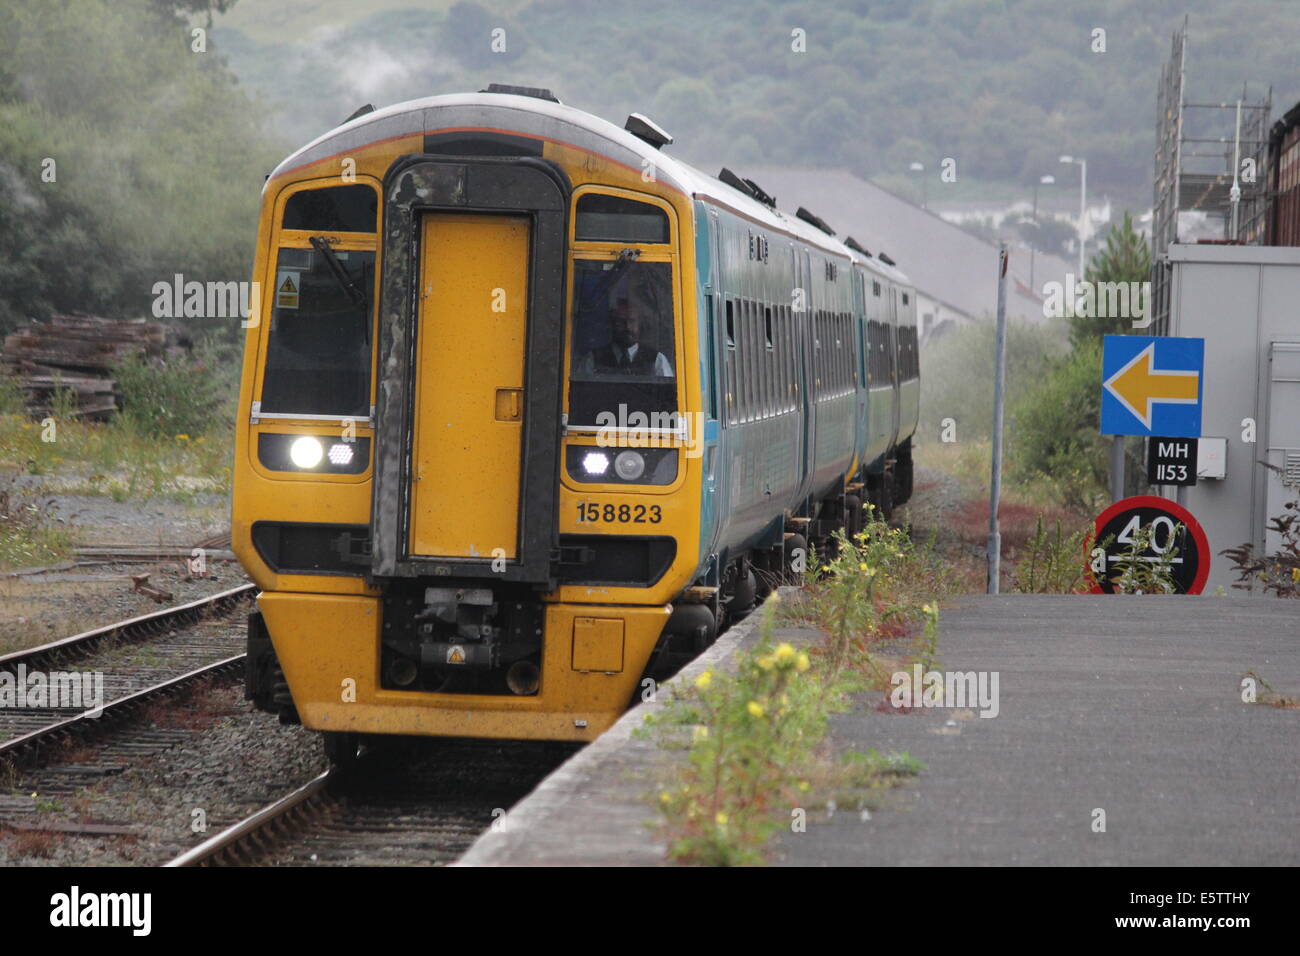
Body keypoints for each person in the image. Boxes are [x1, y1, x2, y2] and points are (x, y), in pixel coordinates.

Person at [575, 292, 674, 377]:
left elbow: (667, 396)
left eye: (632, 321)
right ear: (612, 324)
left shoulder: (657, 360)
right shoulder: (593, 359)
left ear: (640, 325)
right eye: (621, 322)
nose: (627, 327)